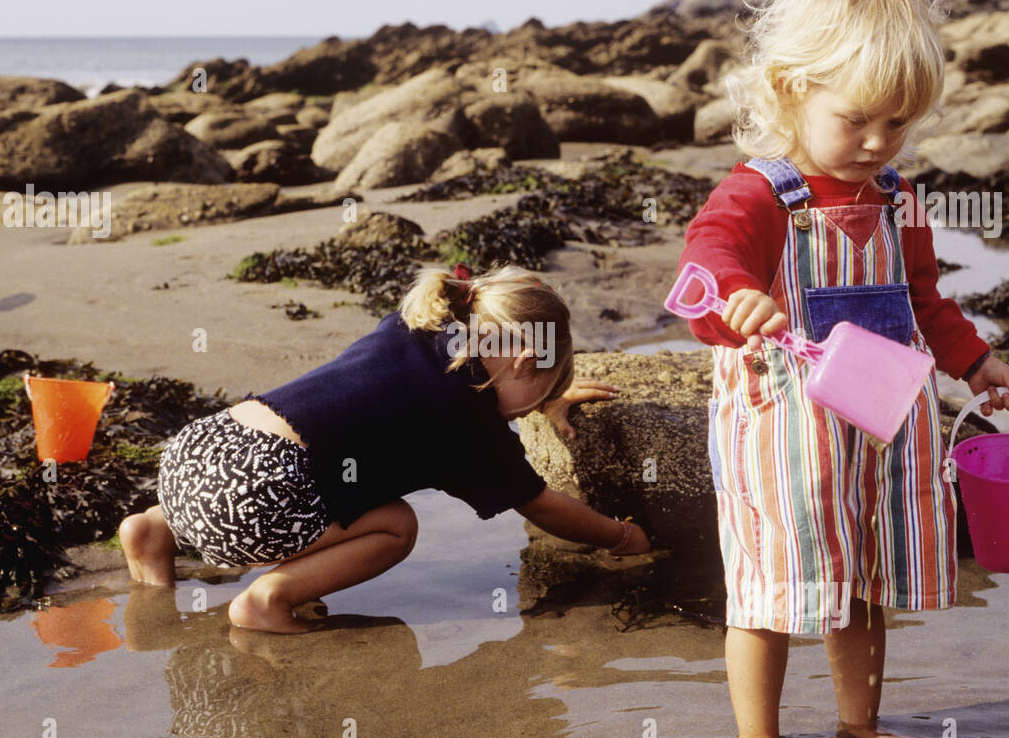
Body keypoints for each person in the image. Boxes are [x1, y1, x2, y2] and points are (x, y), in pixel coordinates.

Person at [675, 0, 1009, 738]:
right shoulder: (761, 193)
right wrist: (734, 295)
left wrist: (976, 363)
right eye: (857, 118)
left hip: (879, 435)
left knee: (867, 585)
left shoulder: (899, 199)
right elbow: (701, 268)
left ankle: (859, 725)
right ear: (793, 91)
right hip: (785, 442)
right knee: (765, 590)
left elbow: (924, 301)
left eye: (898, 122)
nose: (877, 142)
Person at [118, 263, 650, 633]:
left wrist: (542, 396)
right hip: (256, 501)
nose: (526, 411)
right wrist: (622, 536)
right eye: (546, 385)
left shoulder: (415, 325)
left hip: (197, 451)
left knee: (279, 474)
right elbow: (540, 502)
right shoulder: (470, 428)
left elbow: (413, 395)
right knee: (398, 525)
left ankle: (153, 527)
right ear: (526, 360)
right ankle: (267, 600)